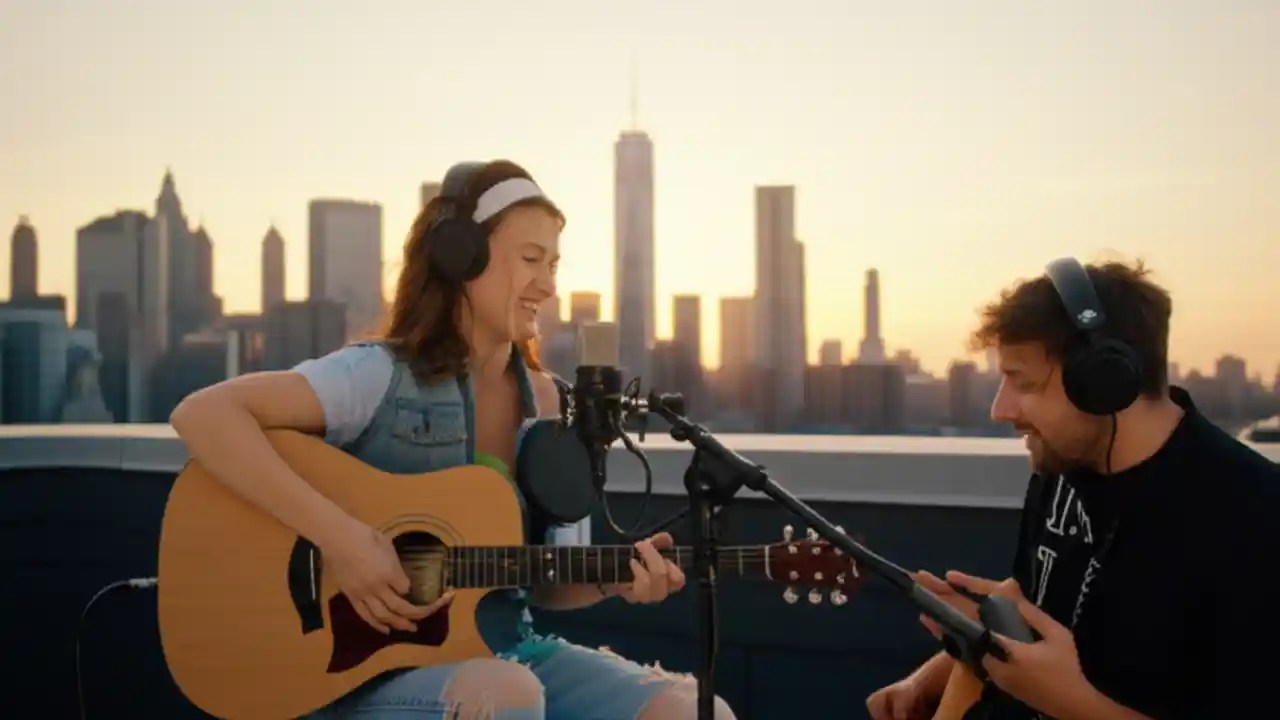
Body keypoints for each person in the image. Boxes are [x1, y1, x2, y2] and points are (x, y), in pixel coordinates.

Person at [170, 160, 735, 719]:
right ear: (463, 259)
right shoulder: (377, 377)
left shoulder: (550, 405)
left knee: (693, 711)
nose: (549, 284)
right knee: (508, 696)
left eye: (554, 264)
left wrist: (616, 583)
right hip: (361, 677)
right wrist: (342, 540)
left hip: (509, 653)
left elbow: (548, 583)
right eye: (531, 259)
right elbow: (205, 415)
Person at [866, 258, 1279, 720]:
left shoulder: (1255, 519)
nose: (1000, 410)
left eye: (1024, 383)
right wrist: (931, 674)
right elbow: (1033, 619)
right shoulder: (1061, 468)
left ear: (1105, 384)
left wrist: (1071, 703)